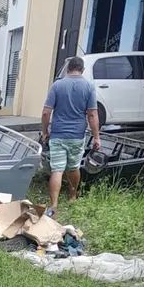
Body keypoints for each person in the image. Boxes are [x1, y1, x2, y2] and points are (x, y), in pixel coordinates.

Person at [41, 56, 101, 216]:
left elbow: (46, 112)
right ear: (82, 69)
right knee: (74, 166)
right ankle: (72, 196)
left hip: (58, 134)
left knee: (57, 170)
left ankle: (54, 204)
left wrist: (45, 131)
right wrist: (96, 137)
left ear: (68, 68)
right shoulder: (88, 87)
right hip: (77, 135)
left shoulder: (57, 85)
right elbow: (92, 114)